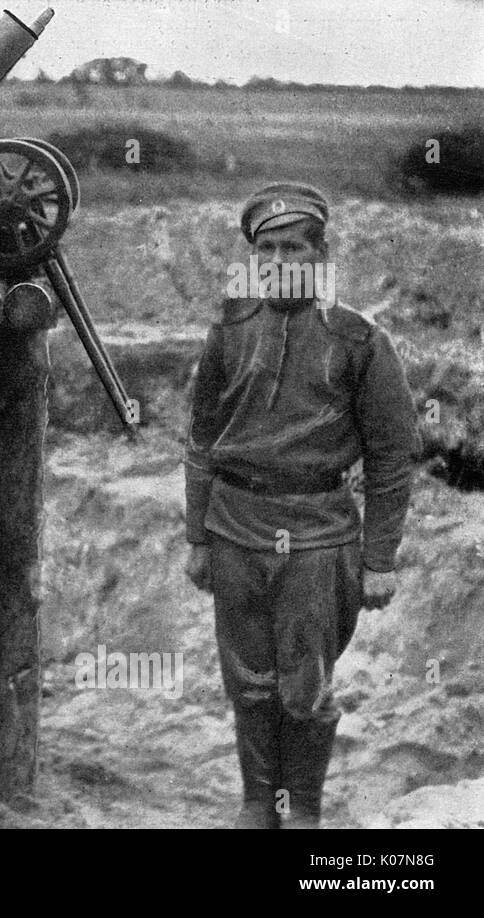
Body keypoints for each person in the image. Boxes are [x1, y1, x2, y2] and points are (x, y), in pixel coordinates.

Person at [184, 182, 421, 828]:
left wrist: (379, 559)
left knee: (304, 686)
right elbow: (202, 437)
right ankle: (260, 801)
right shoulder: (229, 328)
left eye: (295, 246)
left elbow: (392, 457)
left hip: (318, 537)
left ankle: (304, 811)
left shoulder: (359, 340)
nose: (281, 260)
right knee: (248, 682)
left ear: (320, 253)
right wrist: (197, 536)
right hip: (235, 527)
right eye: (269, 248)